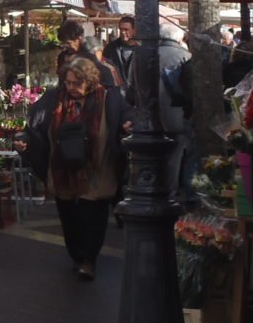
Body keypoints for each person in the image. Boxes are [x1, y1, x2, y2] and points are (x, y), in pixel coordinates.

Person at [15, 56, 132, 280]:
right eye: (68, 83)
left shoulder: (109, 98)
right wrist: (24, 139)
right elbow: (33, 126)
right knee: (69, 218)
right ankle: (77, 255)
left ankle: (88, 260)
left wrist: (128, 124)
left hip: (98, 169)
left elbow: (127, 114)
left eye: (76, 84)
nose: (71, 88)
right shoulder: (53, 99)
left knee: (93, 218)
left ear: (89, 81)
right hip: (62, 170)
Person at [158, 21, 193, 202]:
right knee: (174, 159)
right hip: (176, 117)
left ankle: (153, 191)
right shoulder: (185, 56)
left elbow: (132, 88)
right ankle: (169, 196)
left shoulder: (143, 55)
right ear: (179, 38)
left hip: (148, 118)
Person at [57, 20, 116, 90]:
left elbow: (105, 75)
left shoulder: (90, 56)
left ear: (79, 38)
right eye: (63, 43)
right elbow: (61, 81)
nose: (65, 46)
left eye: (68, 43)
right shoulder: (63, 57)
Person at [102, 16, 137, 90]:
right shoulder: (111, 48)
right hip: (116, 91)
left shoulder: (142, 49)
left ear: (134, 30)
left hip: (136, 93)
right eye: (121, 29)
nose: (123, 32)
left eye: (126, 29)